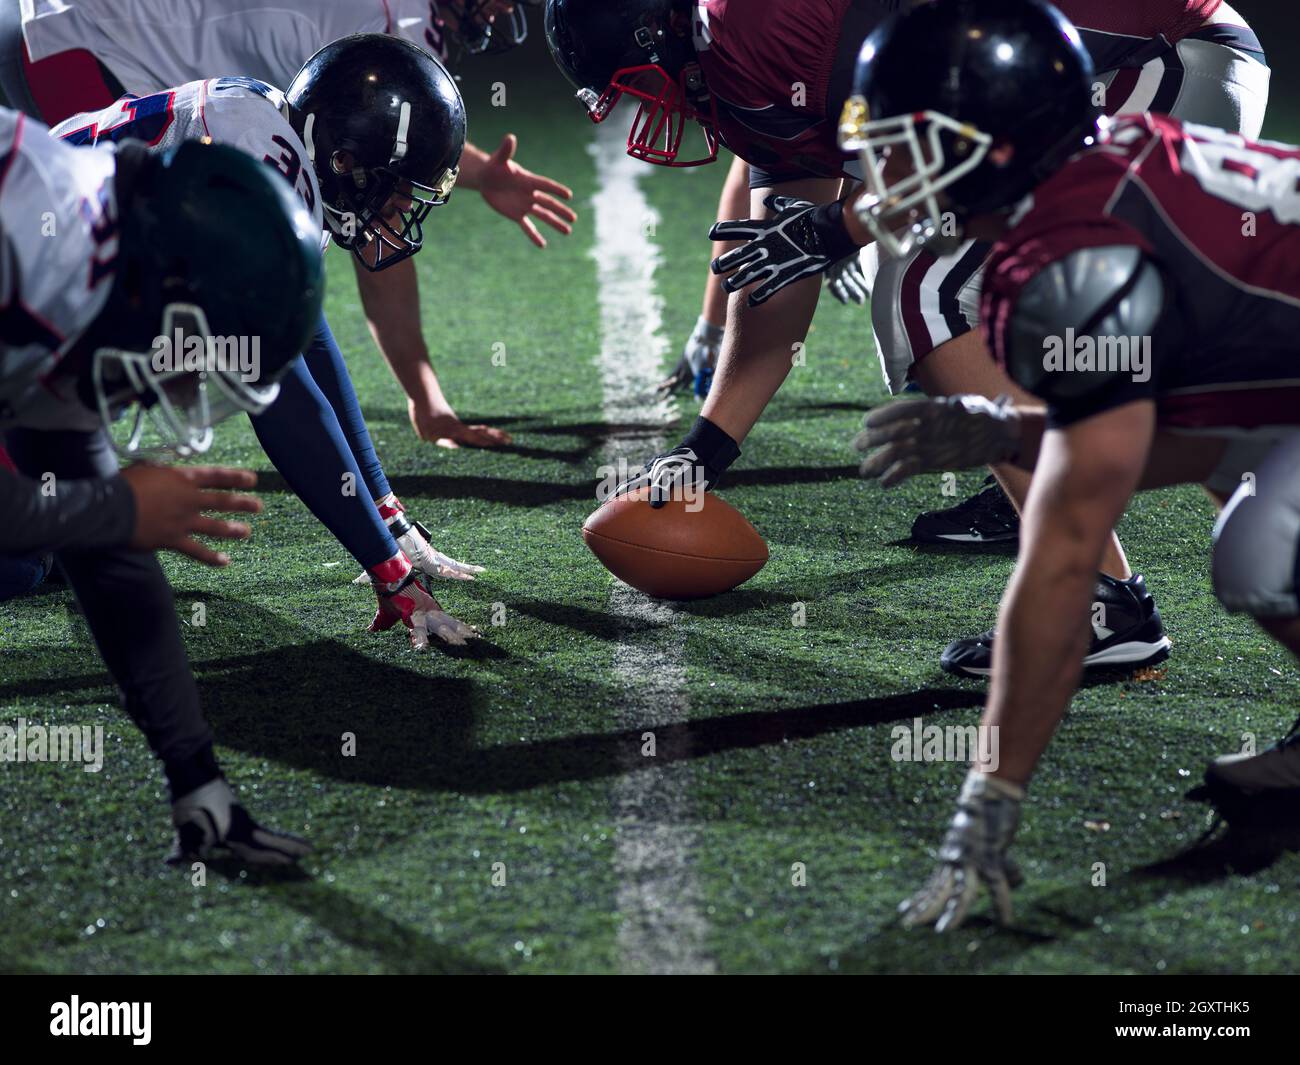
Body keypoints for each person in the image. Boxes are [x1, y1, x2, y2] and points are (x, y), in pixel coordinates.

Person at [546, 0, 1269, 679]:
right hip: (1066, 87)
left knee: (927, 290)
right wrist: (702, 450)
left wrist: (838, 228)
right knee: (951, 286)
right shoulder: (736, 71)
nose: (651, 111)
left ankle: (1102, 602)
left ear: (661, 32)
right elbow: (772, 278)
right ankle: (1036, 493)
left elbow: (962, 137)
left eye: (637, 85)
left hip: (1159, 61)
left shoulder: (765, 24)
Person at [844, 0, 1300, 929]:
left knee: (1262, 546)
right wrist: (1020, 432)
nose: (881, 173)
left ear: (996, 147)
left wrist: (989, 799)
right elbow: (1171, 435)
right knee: (1252, 486)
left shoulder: (1076, 257)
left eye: (906, 143)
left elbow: (1064, 549)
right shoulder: (1104, 176)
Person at [52, 35, 487, 648]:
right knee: (29, 553)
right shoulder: (257, 168)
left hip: (56, 290)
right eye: (394, 195)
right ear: (345, 160)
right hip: (27, 294)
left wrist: (389, 517)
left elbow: (302, 337)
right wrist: (390, 574)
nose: (396, 217)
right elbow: (280, 393)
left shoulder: (271, 131)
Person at [2, 0, 576, 448]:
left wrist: (478, 173)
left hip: (77, 31)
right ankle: (54, 468)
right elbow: (377, 204)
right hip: (82, 41)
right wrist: (425, 396)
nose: (506, 13)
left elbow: (373, 145)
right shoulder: (389, 25)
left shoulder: (388, 27)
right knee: (127, 278)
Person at [1, 108, 323, 863]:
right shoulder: (27, 242)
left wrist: (197, 782)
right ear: (163, 285)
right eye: (191, 361)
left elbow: (104, 545)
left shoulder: (91, 266)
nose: (178, 392)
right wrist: (118, 505)